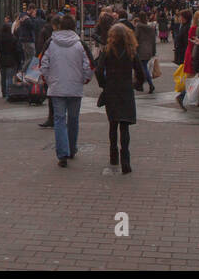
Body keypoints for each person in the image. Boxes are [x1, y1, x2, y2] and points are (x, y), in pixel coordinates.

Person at [39, 14, 92, 166]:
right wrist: (84, 79)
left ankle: (62, 153)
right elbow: (88, 65)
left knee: (59, 119)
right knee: (73, 119)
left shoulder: (51, 42)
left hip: (56, 87)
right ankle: (72, 148)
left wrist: (48, 79)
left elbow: (43, 63)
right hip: (75, 87)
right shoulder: (79, 44)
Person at [96, 22, 138, 174]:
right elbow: (140, 71)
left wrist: (103, 84)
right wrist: (136, 83)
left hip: (111, 89)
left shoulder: (107, 51)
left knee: (113, 124)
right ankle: (126, 160)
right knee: (125, 125)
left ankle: (113, 155)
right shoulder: (131, 51)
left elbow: (99, 71)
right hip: (126, 90)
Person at [0, 16, 20, 99]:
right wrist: (18, 61)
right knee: (9, 77)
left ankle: (4, 92)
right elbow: (17, 51)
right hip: (11, 60)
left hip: (1, 60)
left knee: (3, 77)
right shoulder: (13, 39)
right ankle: (9, 93)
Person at [134, 13, 158, 94]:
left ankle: (149, 84)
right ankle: (143, 84)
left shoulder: (138, 26)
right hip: (149, 49)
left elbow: (136, 37)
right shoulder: (151, 28)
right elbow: (153, 40)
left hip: (141, 49)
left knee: (143, 68)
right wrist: (154, 51)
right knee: (143, 67)